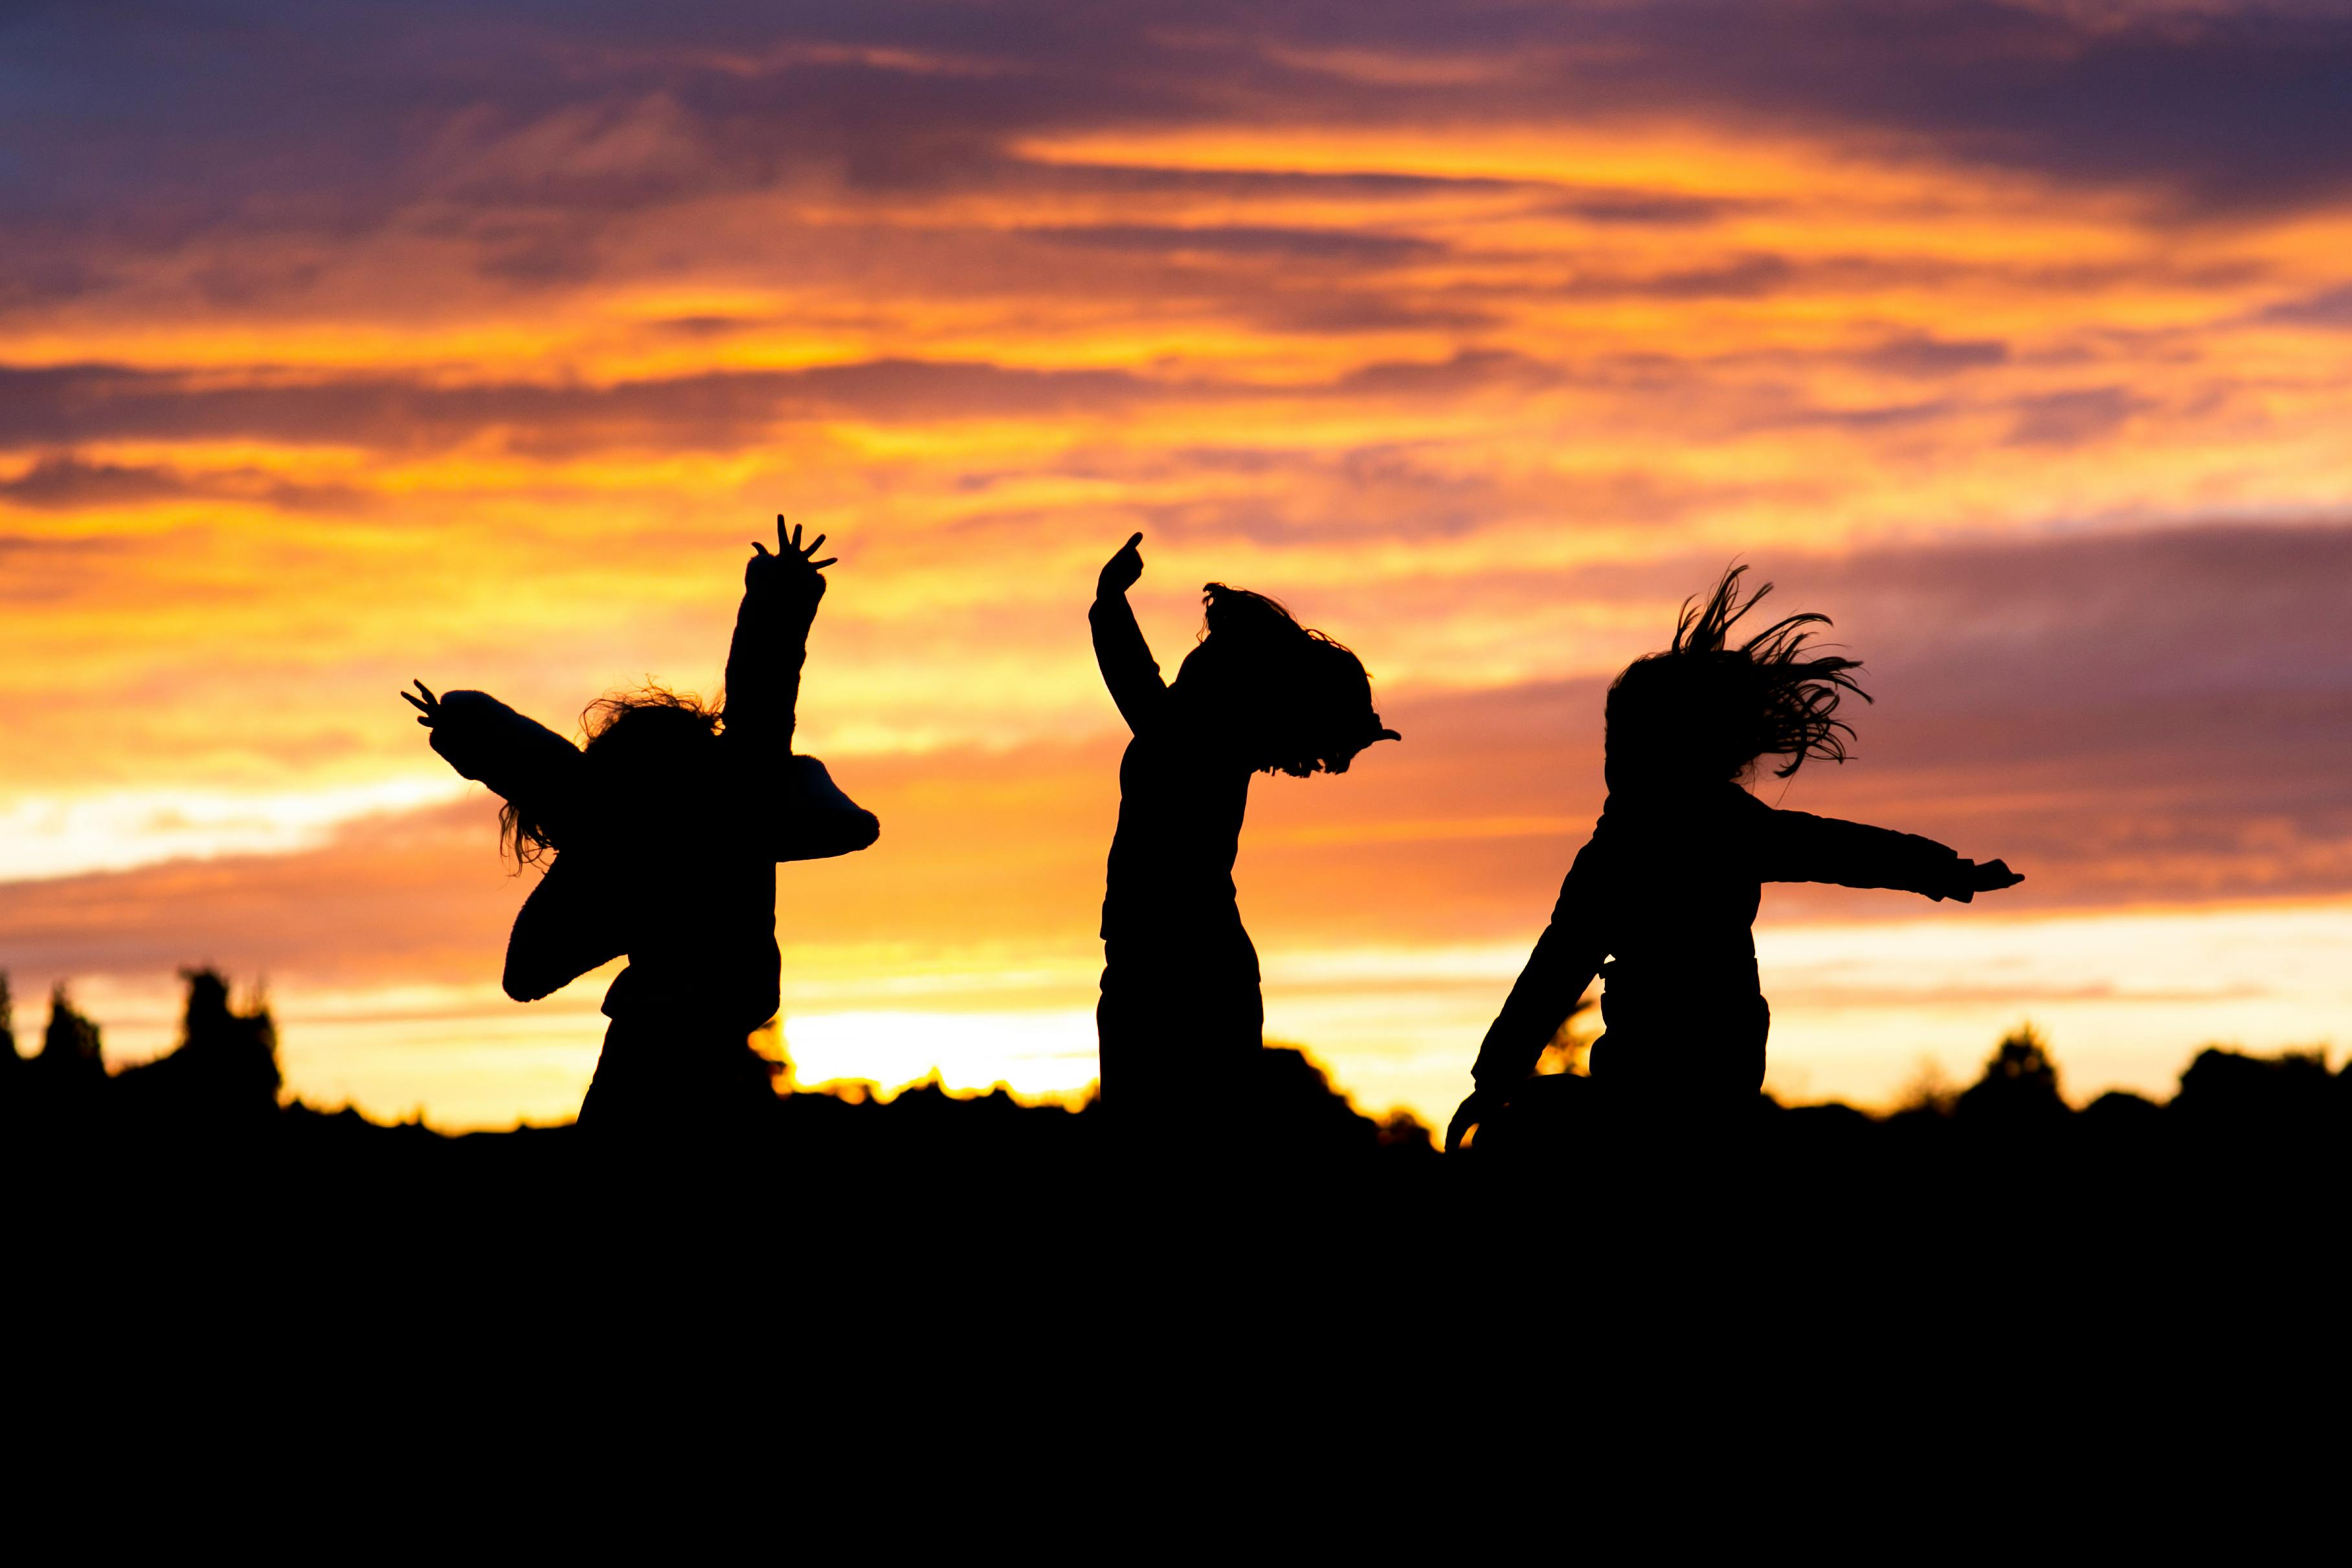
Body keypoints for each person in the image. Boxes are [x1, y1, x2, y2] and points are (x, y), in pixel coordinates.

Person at [1447, 564, 2022, 1156]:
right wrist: (1494, 1076)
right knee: (1550, 1127)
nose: (1612, 762)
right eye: (1610, 747)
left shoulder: (1684, 836)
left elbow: (1838, 849)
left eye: (1624, 746)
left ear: (1669, 750)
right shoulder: (1641, 845)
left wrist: (1944, 872)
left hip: (1691, 1063)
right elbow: (1555, 968)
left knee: (1553, 1132)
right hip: (1690, 1060)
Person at [403, 519, 879, 1141]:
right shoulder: (723, 799)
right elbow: (762, 694)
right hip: (688, 1037)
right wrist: (782, 586)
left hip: (661, 1038)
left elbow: (541, 770)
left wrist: (459, 725)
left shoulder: (645, 816)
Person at [1090, 531, 1398, 1165]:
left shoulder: (1196, 738)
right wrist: (1108, 604)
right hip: (1166, 957)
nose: (1186, 669)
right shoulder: (1195, 731)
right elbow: (1145, 689)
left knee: (1173, 1150)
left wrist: (1109, 603)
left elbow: (1140, 689)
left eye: (1200, 665)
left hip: (1178, 965)